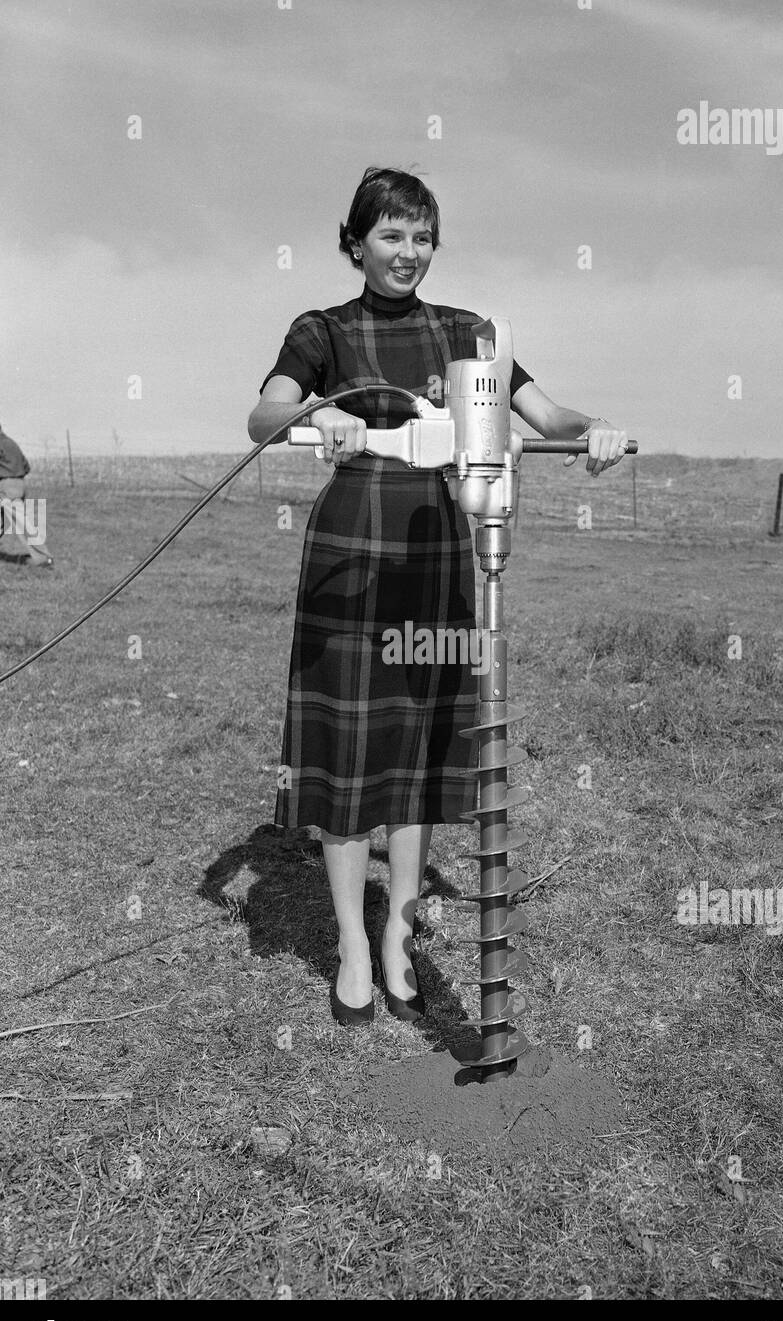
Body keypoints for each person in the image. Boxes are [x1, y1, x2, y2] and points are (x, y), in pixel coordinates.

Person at [248, 166, 627, 1028]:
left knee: (416, 747)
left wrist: (591, 426)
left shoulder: (466, 333)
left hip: (439, 556)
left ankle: (398, 936)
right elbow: (262, 415)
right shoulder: (323, 331)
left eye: (421, 236)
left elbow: (547, 413)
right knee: (350, 755)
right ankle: (350, 942)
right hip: (350, 558)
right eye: (390, 235)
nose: (408, 251)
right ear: (356, 243)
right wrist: (317, 418)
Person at [0, 419, 53, 567]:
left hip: (7, 486)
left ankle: (43, 557)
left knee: (21, 522)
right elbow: (26, 466)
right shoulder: (11, 443)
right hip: (20, 484)